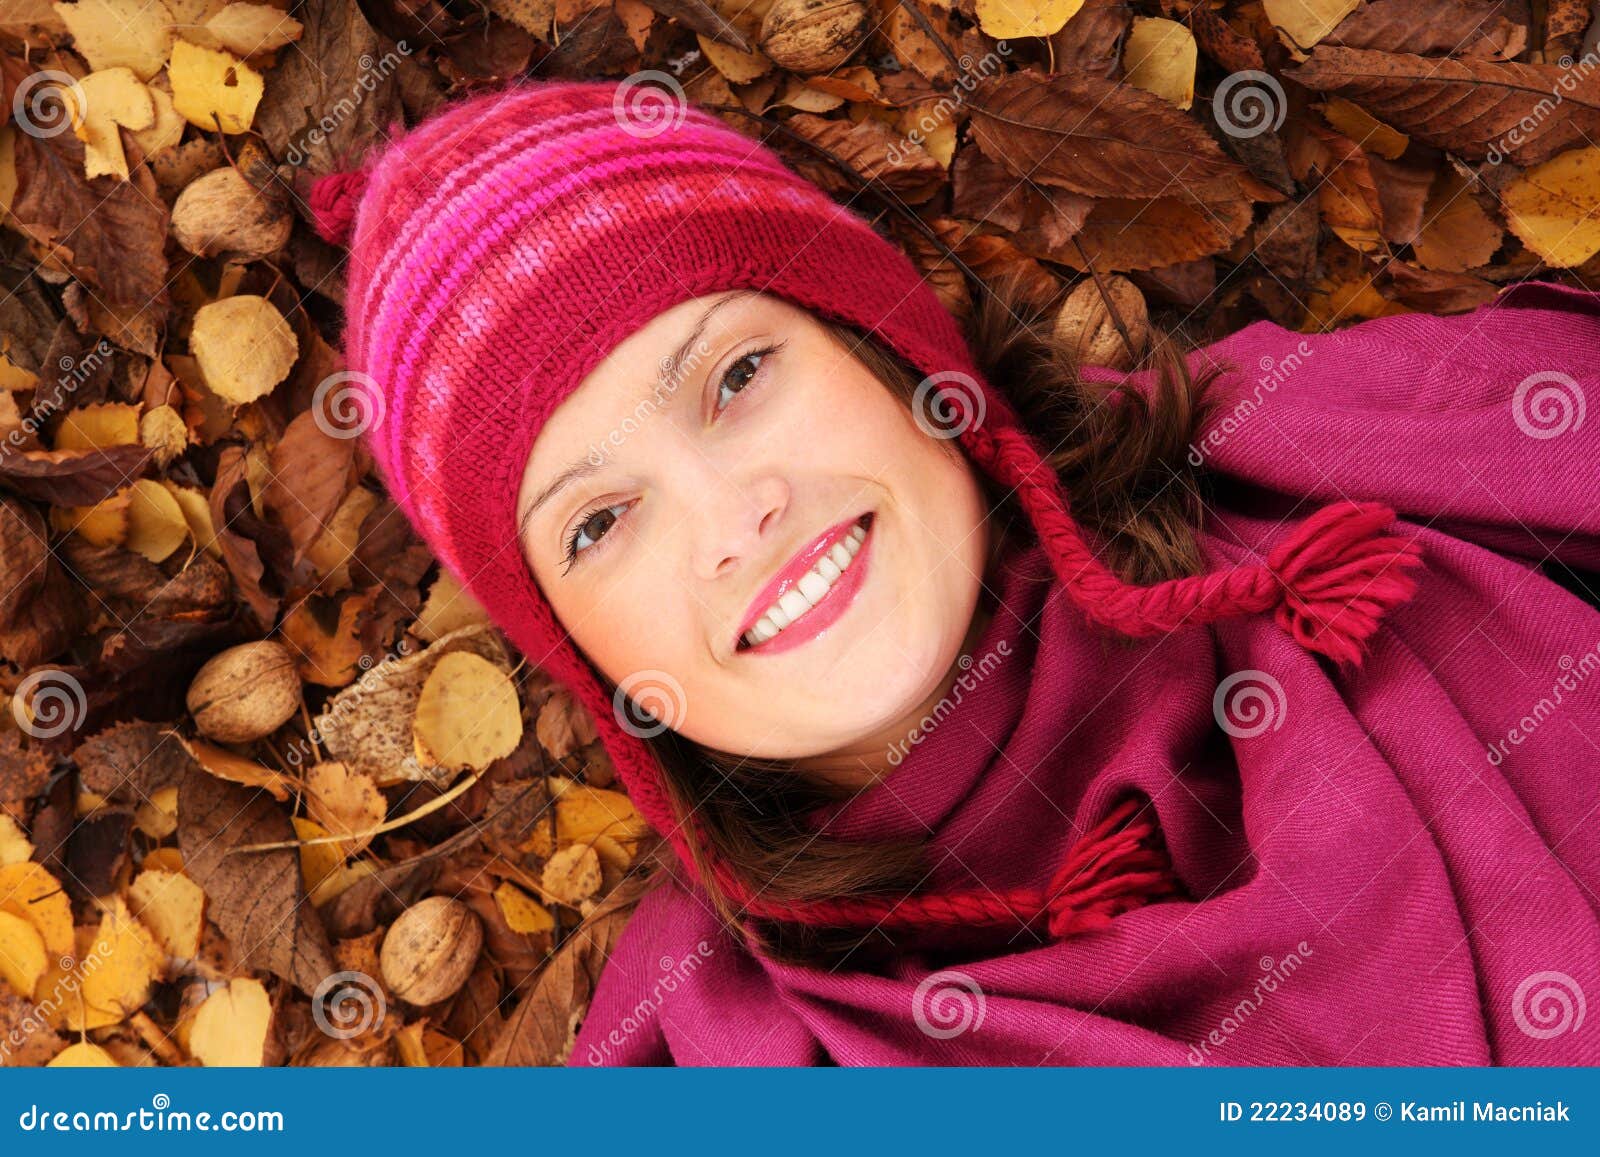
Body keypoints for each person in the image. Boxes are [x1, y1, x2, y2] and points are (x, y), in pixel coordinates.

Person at [310, 77, 1600, 1065]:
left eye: (738, 378)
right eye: (595, 525)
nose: (731, 519)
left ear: (890, 347)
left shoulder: (1394, 462)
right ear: (581, 660)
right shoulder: (709, 1069)